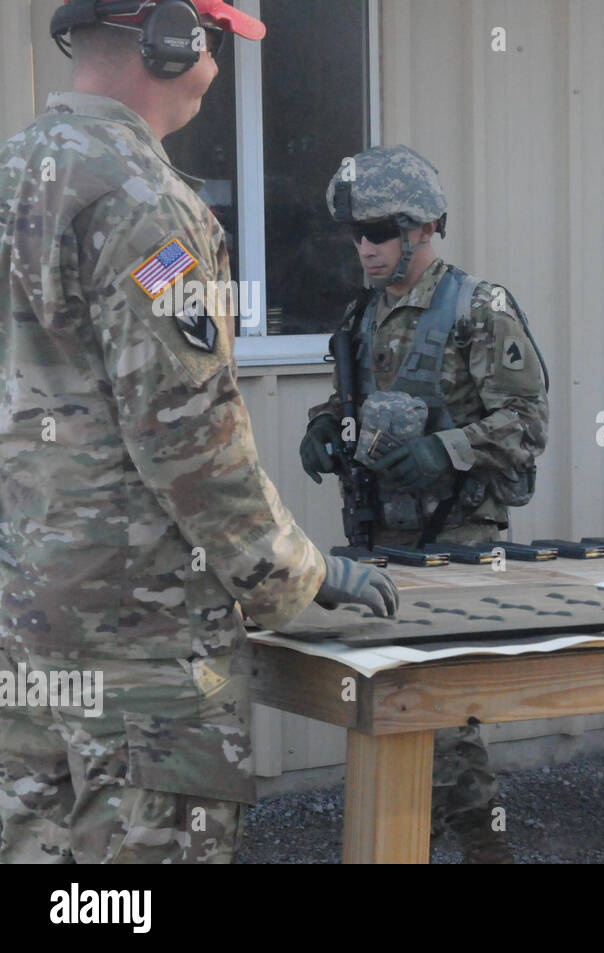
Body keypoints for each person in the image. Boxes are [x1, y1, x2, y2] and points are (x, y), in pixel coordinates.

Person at [0, 0, 396, 864]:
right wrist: (301, 572)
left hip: (27, 621)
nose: (217, 65)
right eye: (213, 40)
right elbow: (190, 442)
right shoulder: (144, 204)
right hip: (140, 640)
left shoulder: (14, 174)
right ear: (167, 37)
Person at [300, 145, 549, 862]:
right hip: (382, 538)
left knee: (442, 716)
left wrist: (444, 450)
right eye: (356, 234)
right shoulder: (363, 313)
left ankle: (482, 847)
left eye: (376, 232)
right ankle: (416, 839)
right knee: (395, 704)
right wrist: (324, 427)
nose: (364, 248)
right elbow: (352, 400)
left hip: (457, 539)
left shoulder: (478, 307)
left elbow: (527, 425)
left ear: (419, 228)